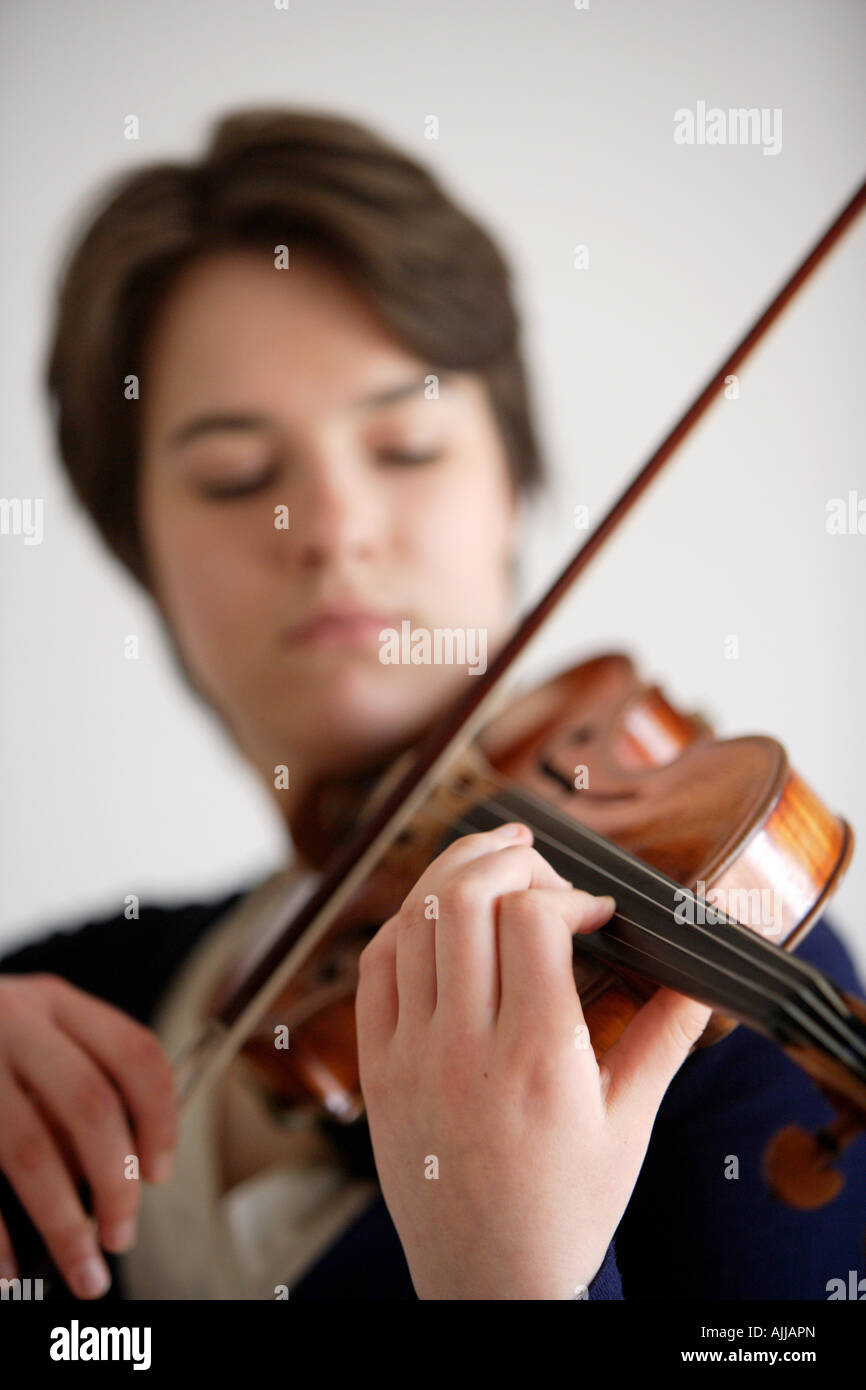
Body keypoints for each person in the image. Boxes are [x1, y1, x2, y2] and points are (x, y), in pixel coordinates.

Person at [0, 107, 863, 1302]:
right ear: (135, 542)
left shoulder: (699, 995)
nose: (334, 529)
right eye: (236, 476)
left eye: (404, 444)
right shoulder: (76, 1008)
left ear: (512, 483)